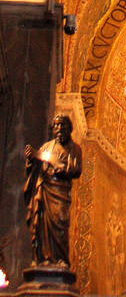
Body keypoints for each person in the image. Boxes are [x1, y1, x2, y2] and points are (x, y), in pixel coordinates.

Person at [24, 114, 82, 267]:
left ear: (69, 129)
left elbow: (76, 170)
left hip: (61, 192)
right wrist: (31, 160)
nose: (59, 128)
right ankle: (42, 258)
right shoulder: (46, 147)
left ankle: (60, 259)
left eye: (62, 125)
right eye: (56, 125)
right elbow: (36, 168)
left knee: (60, 224)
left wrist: (62, 168)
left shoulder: (75, 149)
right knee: (41, 225)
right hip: (44, 189)